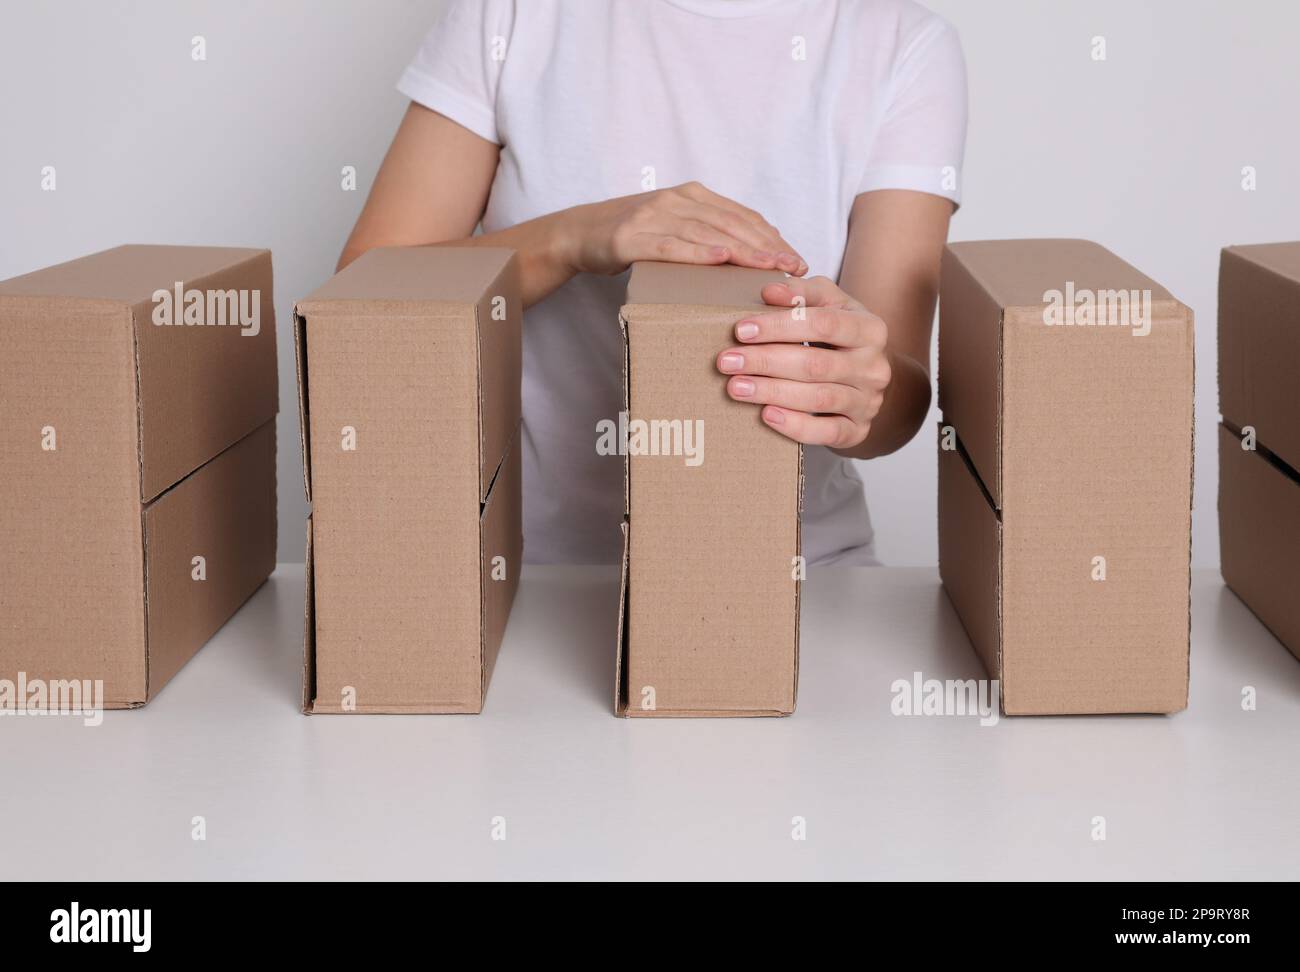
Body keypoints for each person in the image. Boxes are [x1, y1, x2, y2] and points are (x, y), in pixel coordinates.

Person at [339, 0, 967, 565]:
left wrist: (859, 388)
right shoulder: (510, 15)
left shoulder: (902, 43)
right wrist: (567, 240)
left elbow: (900, 389)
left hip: (790, 577)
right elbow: (360, 309)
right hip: (522, 576)